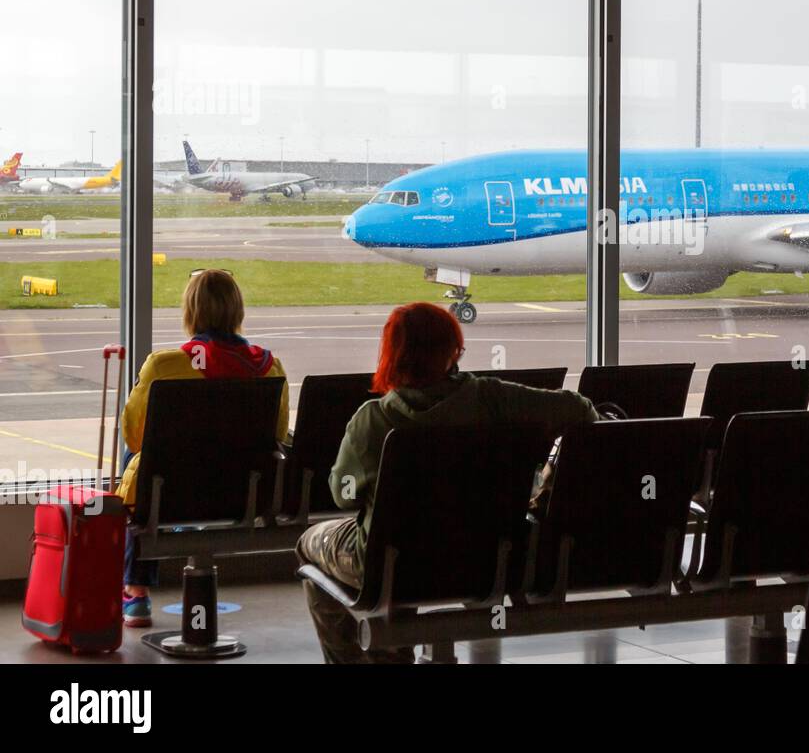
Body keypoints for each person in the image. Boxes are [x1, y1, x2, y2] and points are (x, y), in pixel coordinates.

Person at [296, 301, 599, 664]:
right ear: (451, 350)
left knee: (311, 545)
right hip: (484, 557)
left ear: (393, 354)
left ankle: (367, 654)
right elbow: (579, 410)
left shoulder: (372, 421)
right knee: (403, 543)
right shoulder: (492, 399)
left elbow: (342, 495)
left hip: (396, 562)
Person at [117, 269, 290, 628]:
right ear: (237, 312)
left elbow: (135, 436)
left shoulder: (165, 366)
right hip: (243, 496)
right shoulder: (269, 367)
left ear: (190, 312)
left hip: (174, 494)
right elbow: (277, 435)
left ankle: (136, 592)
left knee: (134, 458)